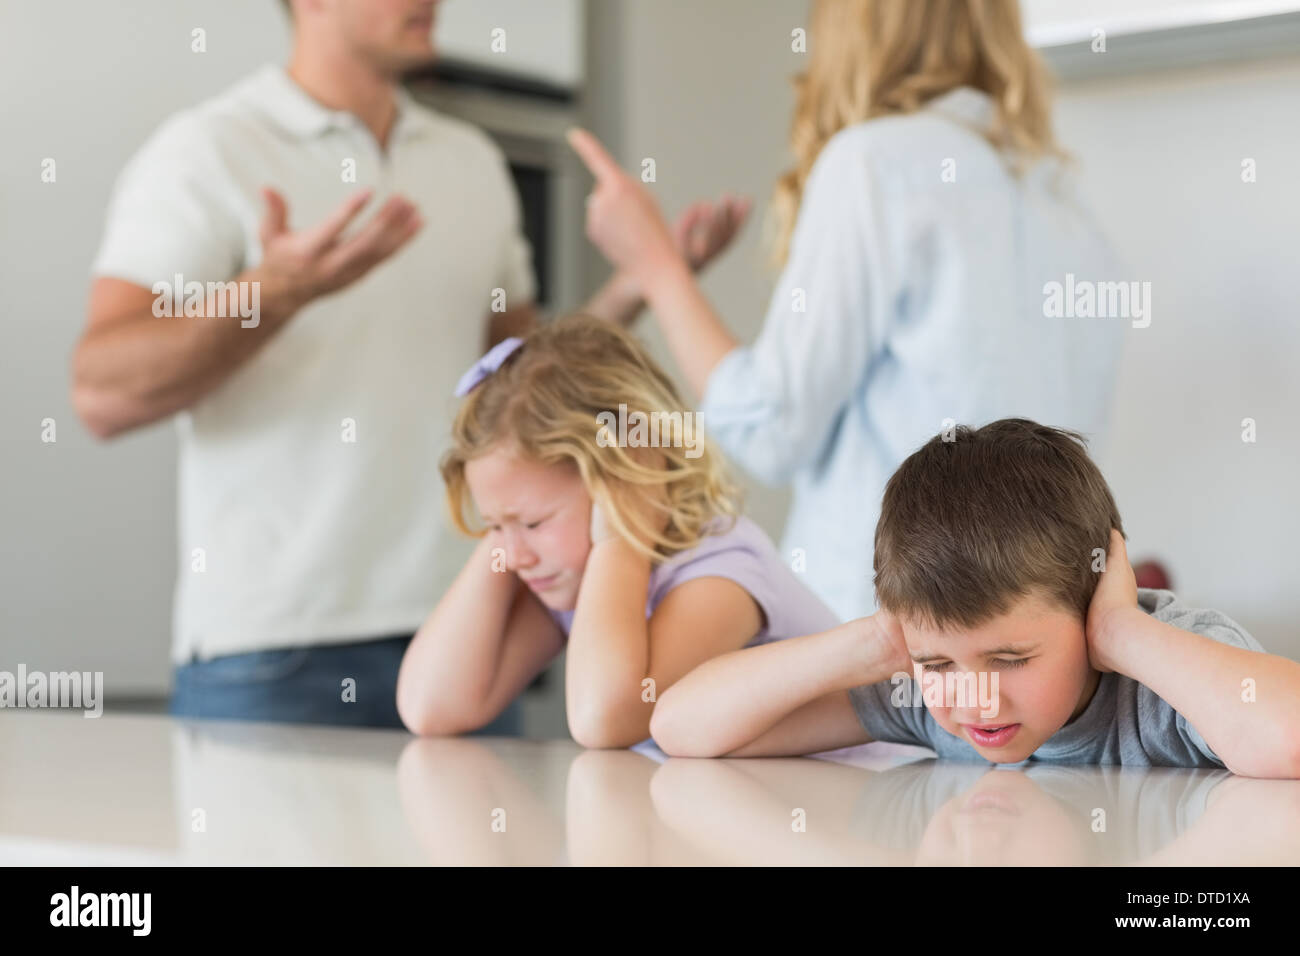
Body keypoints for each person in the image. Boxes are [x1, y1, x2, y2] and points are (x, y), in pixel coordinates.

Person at [70, 0, 745, 728]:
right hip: (276, 650)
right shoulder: (210, 151)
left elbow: (518, 382)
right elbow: (100, 391)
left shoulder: (470, 163)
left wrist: (643, 280)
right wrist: (271, 294)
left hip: (468, 626)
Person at [568, 0, 1127, 621]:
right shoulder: (1060, 198)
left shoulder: (873, 162)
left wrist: (658, 269)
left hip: (884, 632)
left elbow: (771, 428)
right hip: (1033, 635)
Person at [649, 420, 1300, 778]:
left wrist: (1124, 634)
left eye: (1011, 658)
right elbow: (680, 728)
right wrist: (880, 642)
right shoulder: (927, 696)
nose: (974, 698)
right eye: (939, 664)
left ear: (1093, 603)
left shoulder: (1162, 681)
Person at [396, 314, 840, 748]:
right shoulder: (573, 577)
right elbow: (430, 706)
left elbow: (605, 718)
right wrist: (509, 521)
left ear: (630, 474)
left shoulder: (722, 571)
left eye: (533, 522)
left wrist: (619, 538)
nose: (512, 556)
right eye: (495, 527)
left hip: (857, 809)